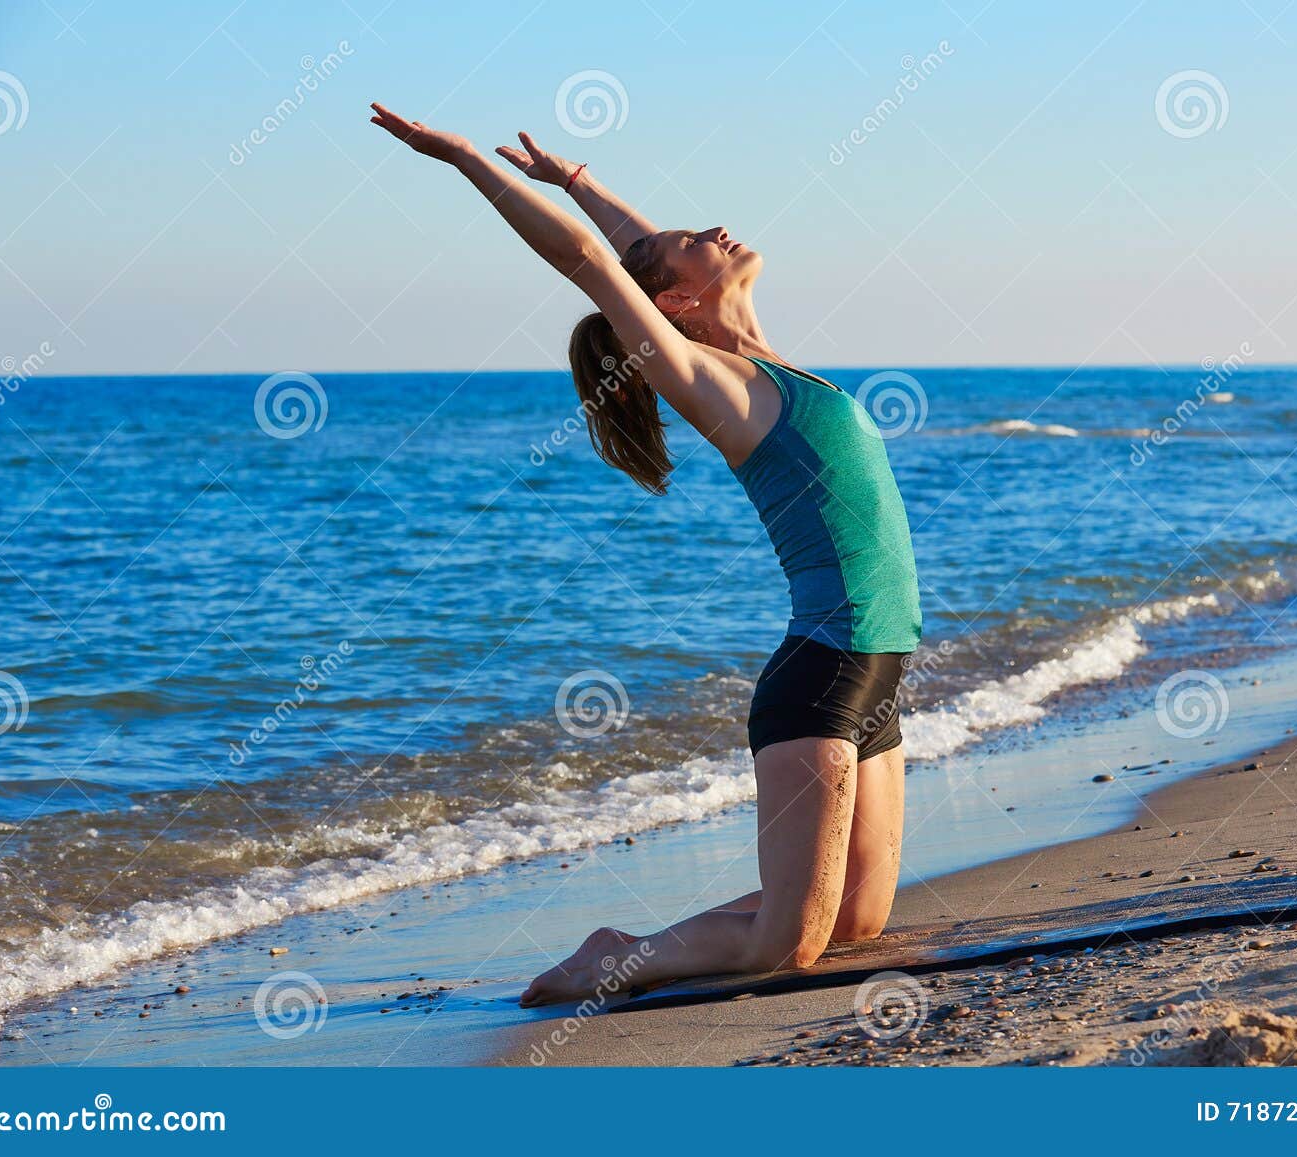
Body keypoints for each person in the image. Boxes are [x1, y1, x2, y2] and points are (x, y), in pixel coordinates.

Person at [370, 105, 922, 1006]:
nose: (713, 228)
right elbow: (596, 266)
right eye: (690, 239)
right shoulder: (714, 383)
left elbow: (630, 250)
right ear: (673, 306)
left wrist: (581, 181)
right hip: (825, 671)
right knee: (785, 948)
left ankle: (681, 937)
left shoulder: (766, 361)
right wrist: (467, 159)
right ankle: (616, 954)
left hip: (879, 664)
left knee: (855, 919)